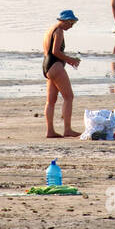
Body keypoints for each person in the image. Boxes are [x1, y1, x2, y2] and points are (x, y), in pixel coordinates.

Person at [44, 10, 82, 138]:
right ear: (65, 21)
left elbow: (49, 51)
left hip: (47, 66)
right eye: (71, 23)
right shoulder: (59, 31)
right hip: (55, 66)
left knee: (51, 101)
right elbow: (55, 51)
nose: (71, 26)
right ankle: (67, 129)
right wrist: (71, 60)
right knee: (68, 97)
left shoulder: (51, 30)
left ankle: (50, 131)